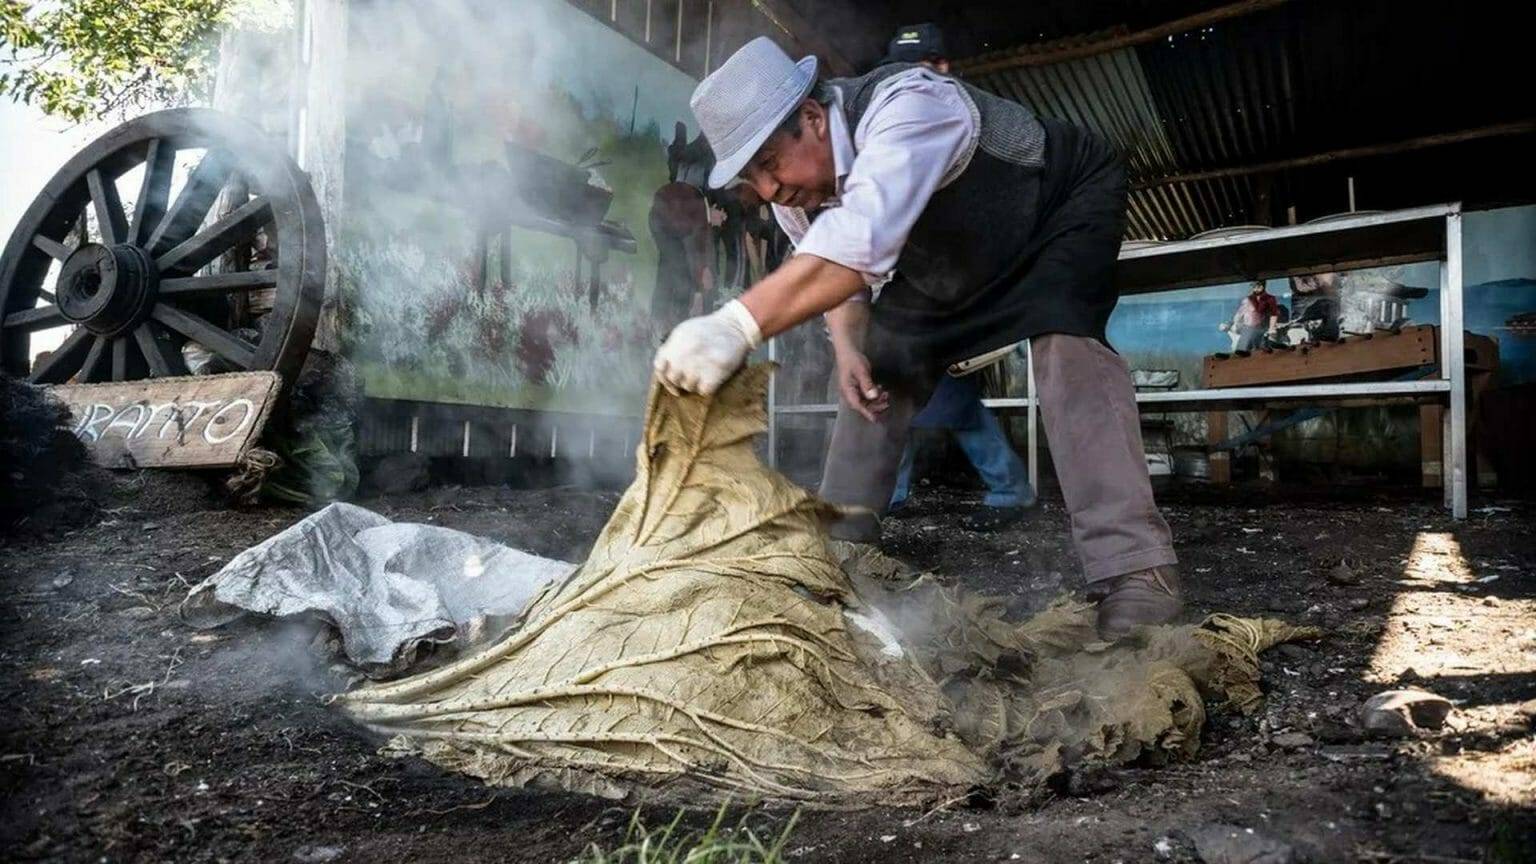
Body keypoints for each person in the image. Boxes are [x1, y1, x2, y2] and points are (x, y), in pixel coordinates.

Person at [652, 36, 1179, 639]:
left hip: (1053, 212)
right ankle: (840, 556)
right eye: (754, 178)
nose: (769, 191)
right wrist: (849, 349)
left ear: (812, 117)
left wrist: (737, 323)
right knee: (878, 363)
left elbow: (861, 242)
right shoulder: (798, 198)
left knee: (1066, 345)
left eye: (771, 164)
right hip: (952, 261)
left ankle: (1136, 571)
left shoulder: (909, 105)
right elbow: (843, 283)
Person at [870, 24, 1035, 529]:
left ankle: (1008, 489)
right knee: (903, 391)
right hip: (912, 293)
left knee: (942, 400)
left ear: (943, 70)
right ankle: (889, 494)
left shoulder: (977, 129)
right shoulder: (889, 133)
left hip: (953, 292)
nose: (906, 86)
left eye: (917, 71)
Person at [1225, 281, 1283, 352]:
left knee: (1262, 351)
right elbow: (1239, 313)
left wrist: (1272, 328)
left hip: (1262, 329)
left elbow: (1273, 314)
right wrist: (1232, 324)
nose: (1255, 289)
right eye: (1254, 287)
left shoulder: (1270, 298)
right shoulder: (1248, 299)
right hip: (1247, 328)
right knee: (1241, 352)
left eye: (1257, 286)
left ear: (1262, 287)